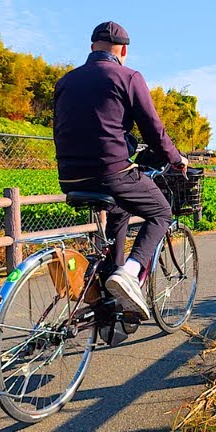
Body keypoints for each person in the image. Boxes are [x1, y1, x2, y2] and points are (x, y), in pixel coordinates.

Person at [52, 21, 187, 319]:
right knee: (161, 212)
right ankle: (130, 271)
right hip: (112, 172)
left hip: (69, 176)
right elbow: (153, 130)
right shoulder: (128, 76)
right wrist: (175, 158)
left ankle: (110, 295)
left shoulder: (65, 81)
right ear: (124, 50)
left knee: (120, 211)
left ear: (91, 47)